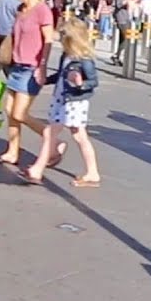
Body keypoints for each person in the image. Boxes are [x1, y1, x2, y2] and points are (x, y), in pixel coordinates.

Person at [18, 19, 101, 188]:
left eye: (63, 37)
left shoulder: (84, 59)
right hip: (62, 99)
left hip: (74, 102)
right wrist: (46, 80)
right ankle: (92, 172)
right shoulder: (67, 56)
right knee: (78, 136)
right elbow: (60, 75)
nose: (60, 40)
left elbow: (93, 81)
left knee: (52, 133)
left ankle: (37, 169)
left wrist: (80, 84)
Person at [0, 0, 62, 167]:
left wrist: (42, 66)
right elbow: (13, 37)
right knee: (9, 110)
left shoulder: (42, 11)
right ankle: (12, 152)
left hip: (31, 68)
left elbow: (48, 40)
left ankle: (54, 141)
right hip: (17, 65)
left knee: (20, 113)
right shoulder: (20, 9)